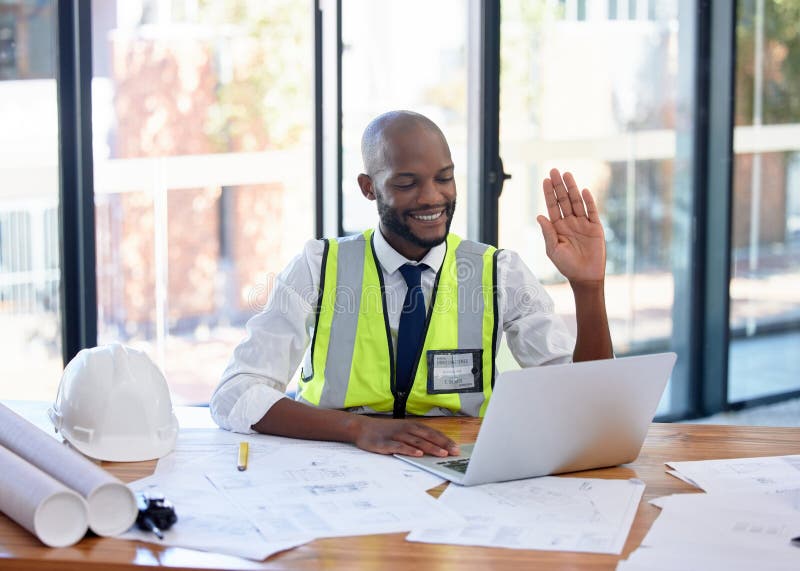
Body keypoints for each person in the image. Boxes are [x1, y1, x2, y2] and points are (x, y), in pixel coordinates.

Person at [210, 110, 613, 458]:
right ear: (369, 188)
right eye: (407, 183)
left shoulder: (499, 271)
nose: (432, 197)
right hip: (335, 462)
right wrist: (357, 429)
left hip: (454, 464)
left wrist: (588, 287)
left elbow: (585, 405)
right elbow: (235, 394)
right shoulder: (319, 265)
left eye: (445, 178)